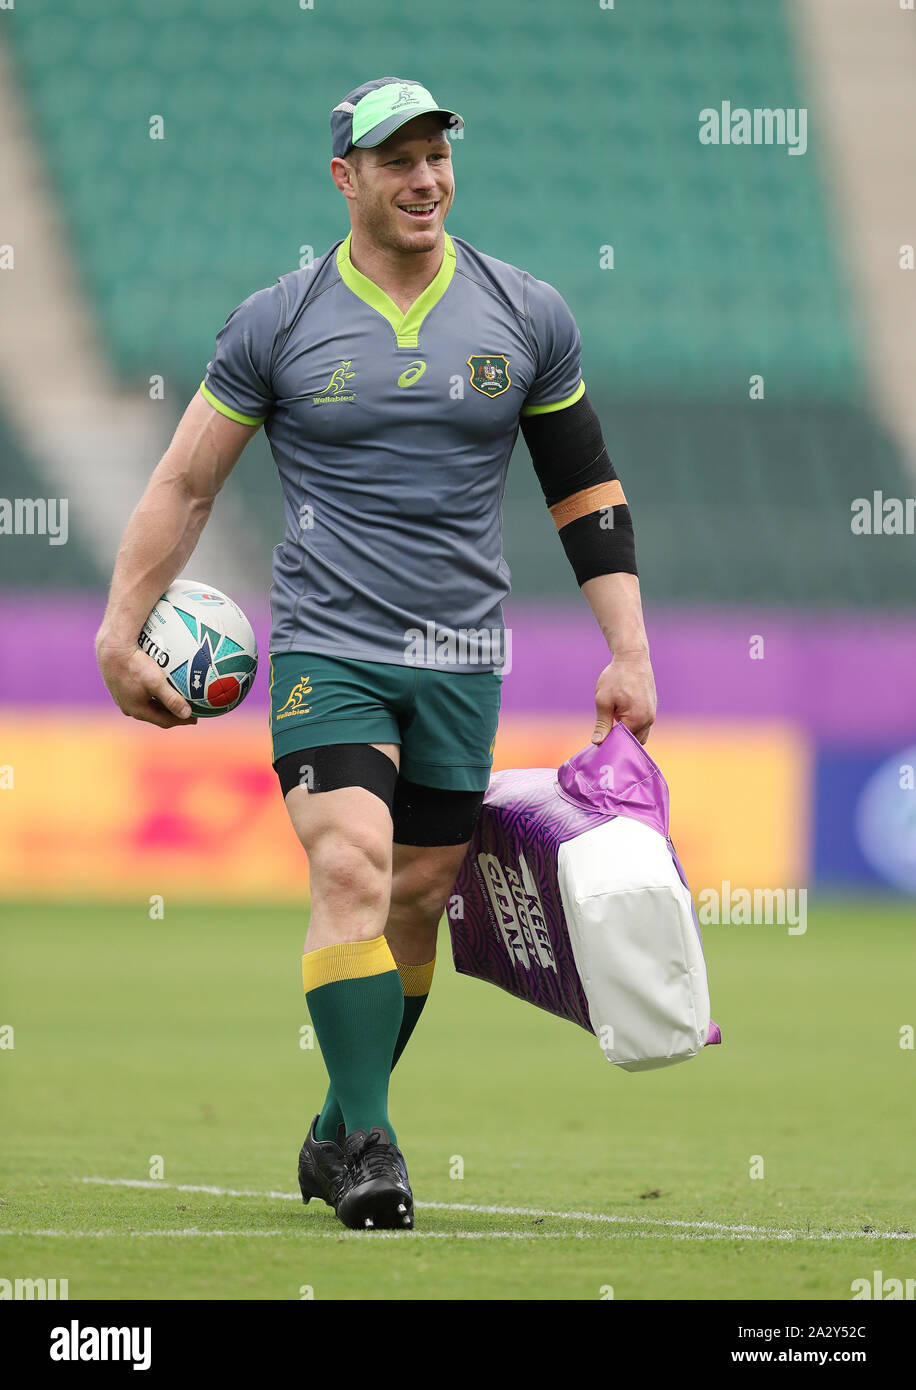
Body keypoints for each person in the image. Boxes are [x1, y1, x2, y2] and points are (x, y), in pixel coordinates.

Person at [95, 77, 657, 1232]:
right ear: (343, 177)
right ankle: (370, 1147)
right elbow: (188, 482)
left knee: (416, 901)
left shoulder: (525, 311)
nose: (423, 177)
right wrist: (117, 626)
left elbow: (582, 486)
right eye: (394, 158)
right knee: (350, 864)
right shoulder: (279, 320)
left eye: (436, 153)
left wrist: (627, 647)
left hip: (461, 657)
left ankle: (331, 1123)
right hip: (326, 648)